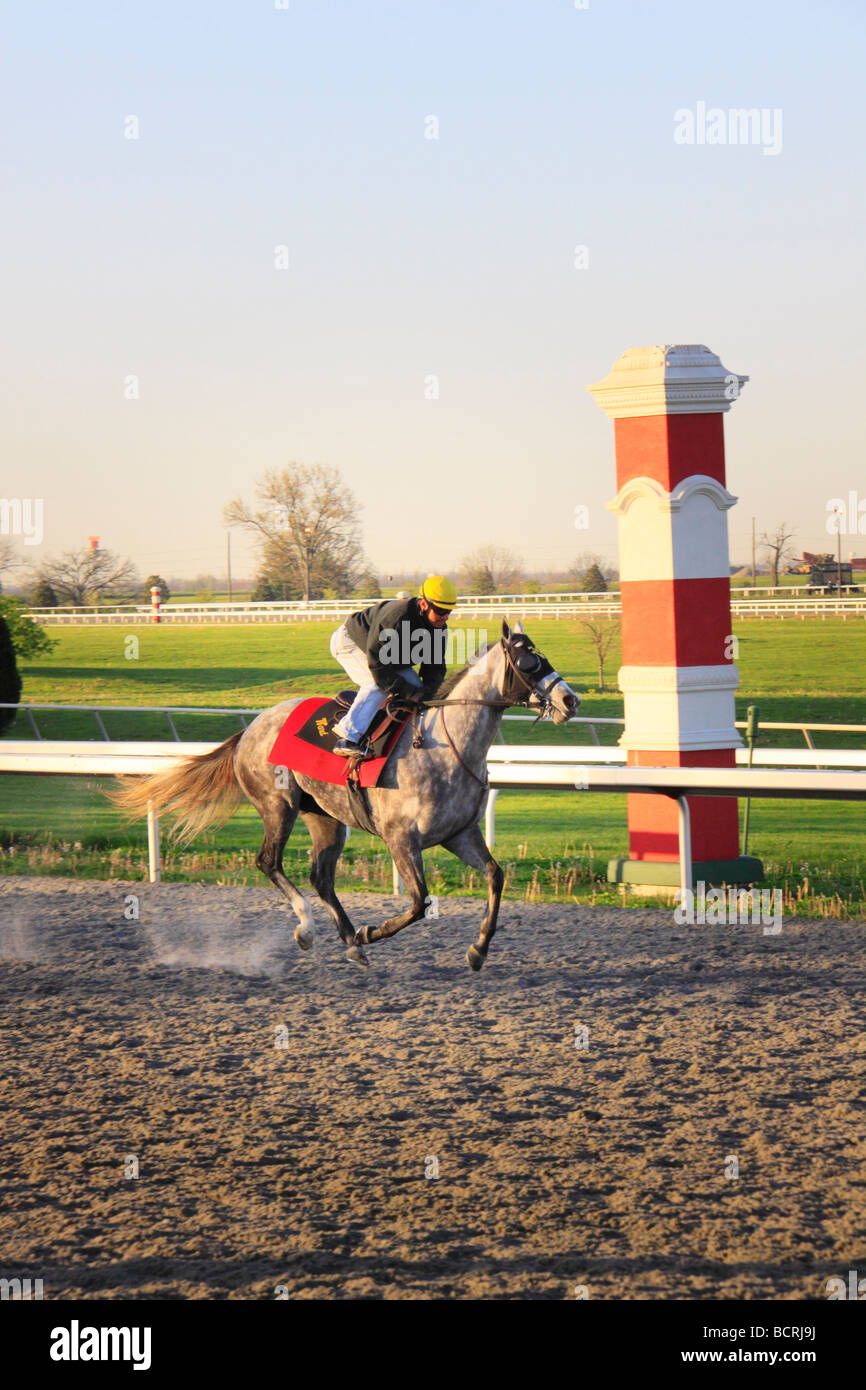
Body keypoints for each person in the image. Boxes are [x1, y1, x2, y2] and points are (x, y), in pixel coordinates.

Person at [329, 575, 457, 755]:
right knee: (377, 685)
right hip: (350, 642)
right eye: (441, 610)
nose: (446, 617)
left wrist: (429, 693)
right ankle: (348, 736)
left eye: (449, 611)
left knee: (419, 689)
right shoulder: (397, 619)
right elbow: (378, 668)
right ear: (423, 604)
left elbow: (434, 669)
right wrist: (410, 693)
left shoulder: (438, 628)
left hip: (388, 658)